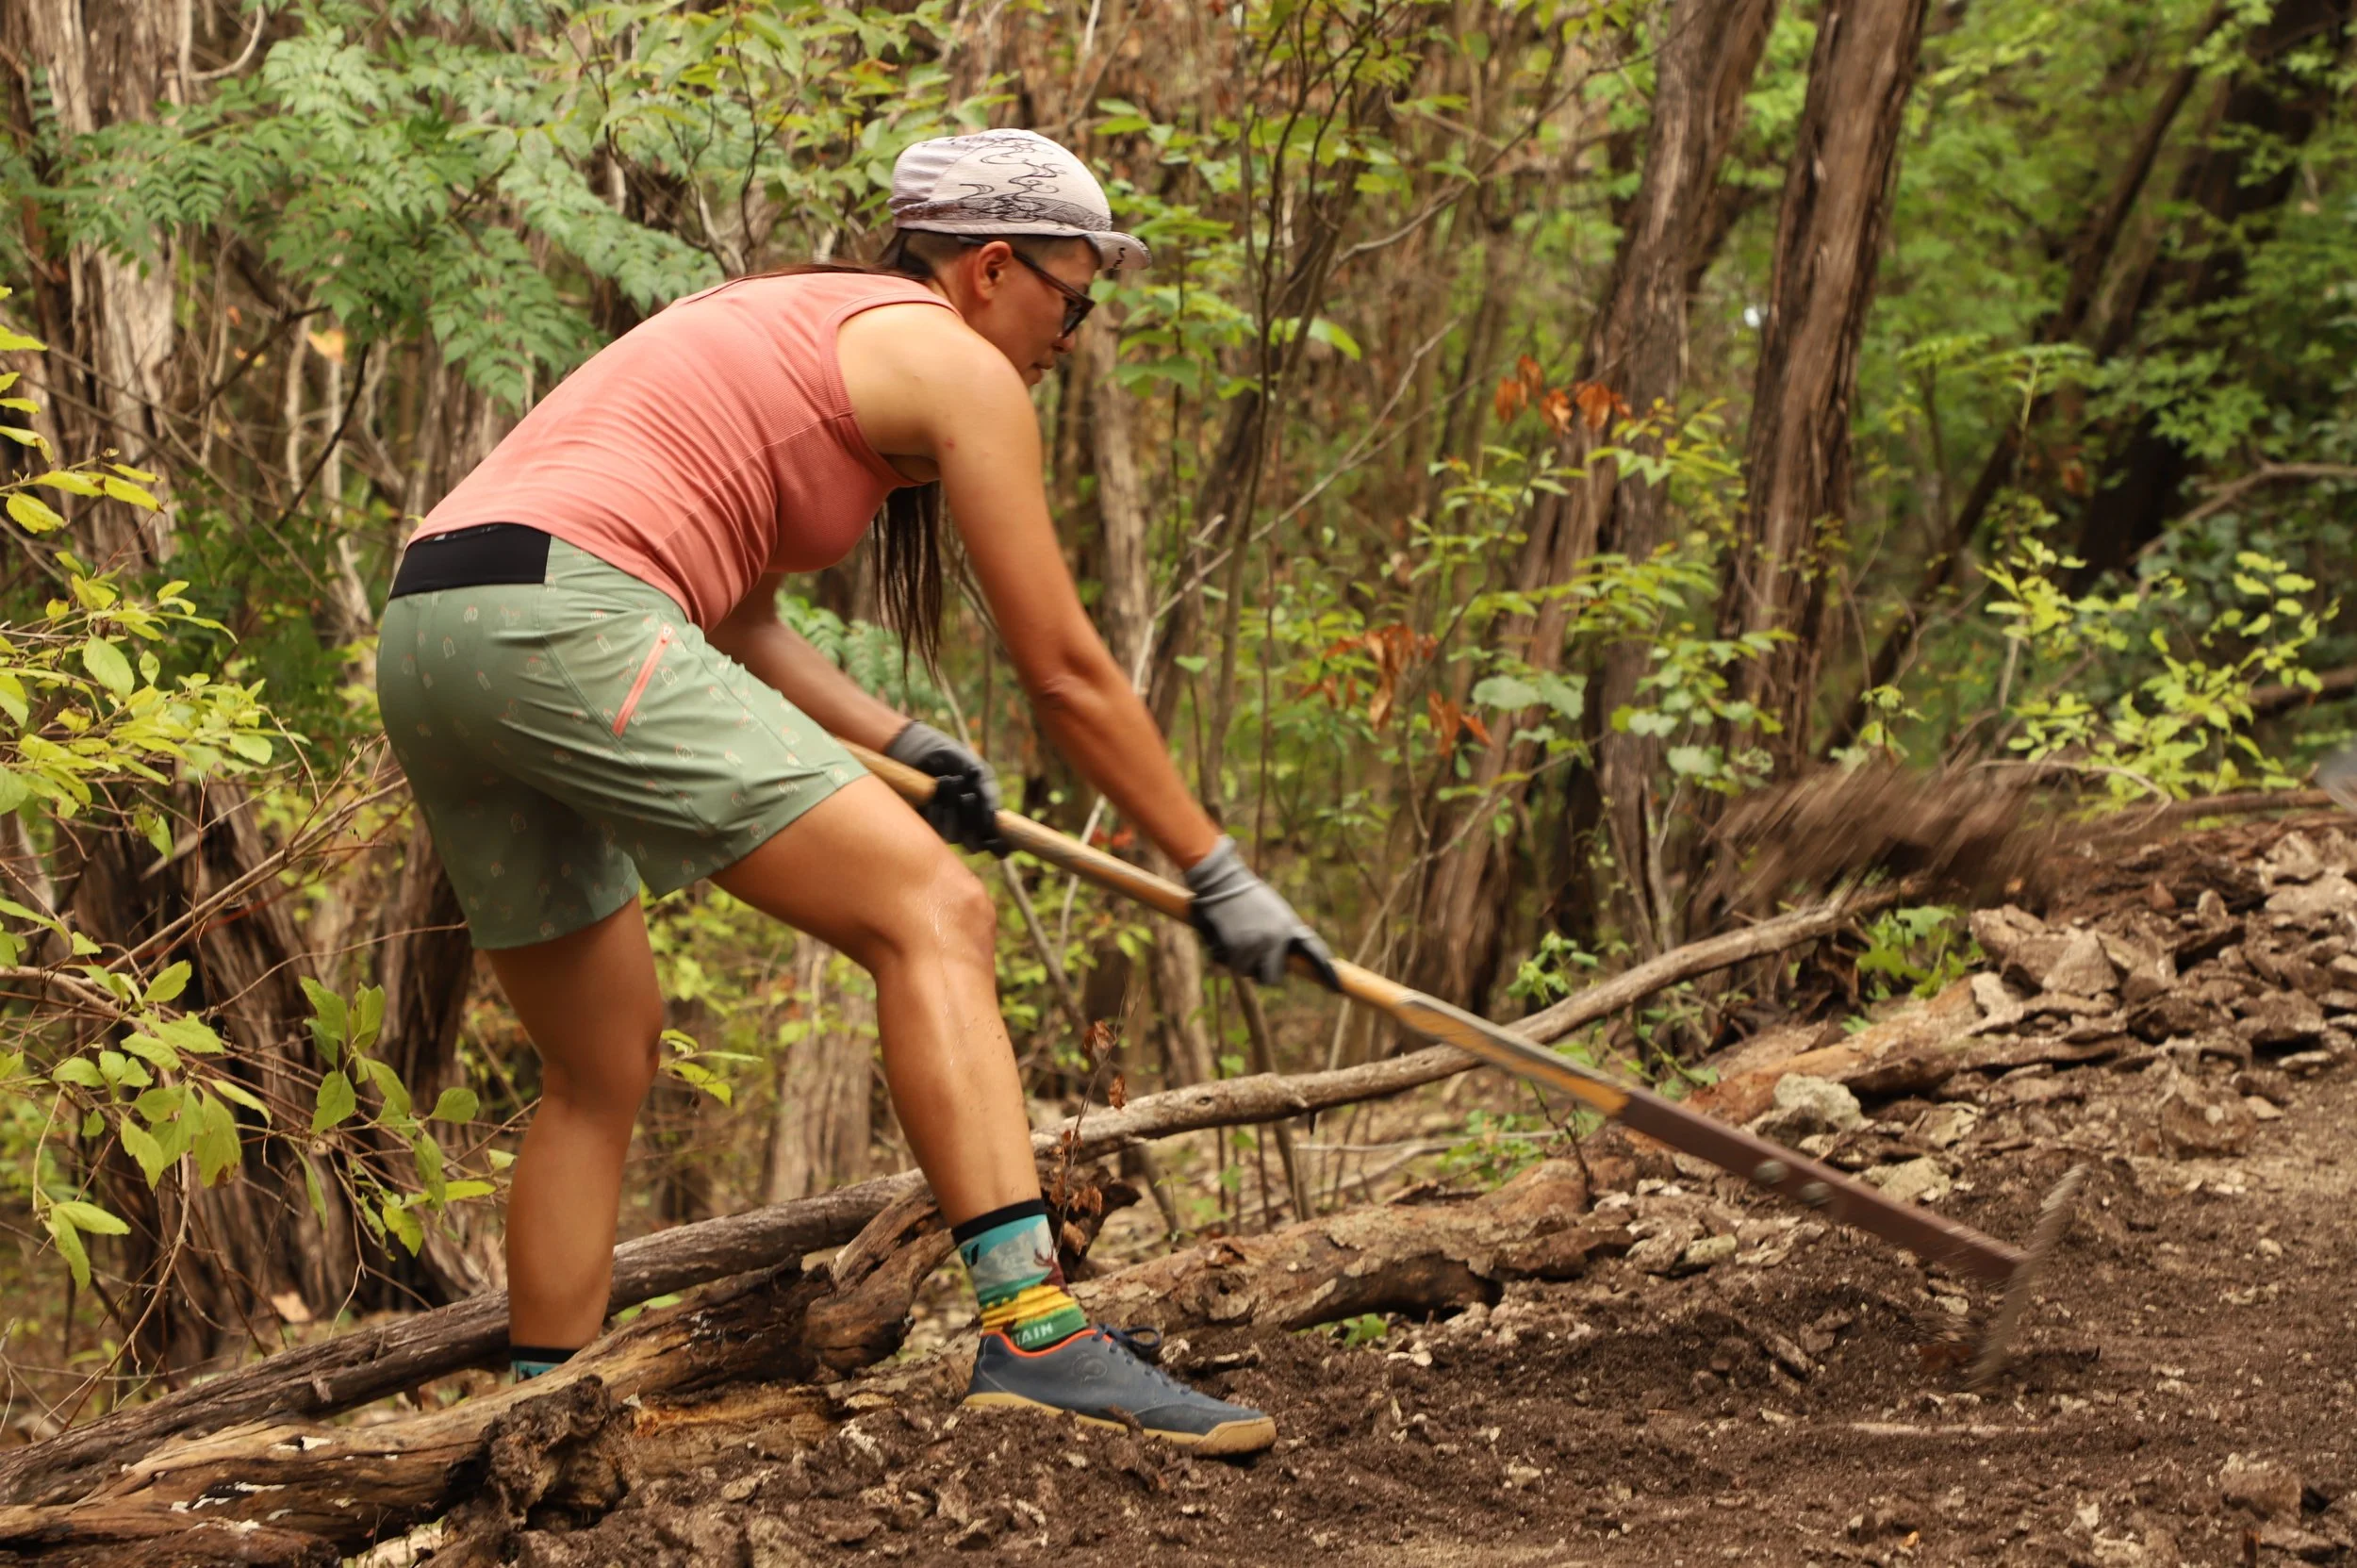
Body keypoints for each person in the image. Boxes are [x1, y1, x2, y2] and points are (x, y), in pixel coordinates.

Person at [375, 128, 1336, 1454]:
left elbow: (739, 612)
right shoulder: (953, 362)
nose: (1080, 328)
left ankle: (540, 1422)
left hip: (438, 629)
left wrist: (907, 739)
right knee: (932, 911)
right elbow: (1064, 670)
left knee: (597, 1063)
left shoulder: (796, 319)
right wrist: (1210, 867)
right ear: (995, 267)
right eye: (1077, 292)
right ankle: (1038, 1332)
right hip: (568, 616)